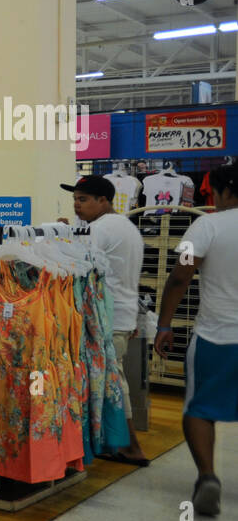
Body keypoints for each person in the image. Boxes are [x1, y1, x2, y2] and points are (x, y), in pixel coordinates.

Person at [154, 163, 238, 517]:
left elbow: (180, 276)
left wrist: (164, 325)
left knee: (199, 409)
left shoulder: (206, 225)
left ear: (222, 192)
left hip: (216, 335)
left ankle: (207, 477)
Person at [60, 174, 148, 465]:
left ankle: (131, 446)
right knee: (112, 378)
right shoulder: (127, 227)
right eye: (75, 199)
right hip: (124, 313)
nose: (76, 205)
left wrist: (62, 237)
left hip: (106, 316)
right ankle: (113, 441)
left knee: (114, 381)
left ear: (103, 201)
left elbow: (78, 265)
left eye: (83, 199)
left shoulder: (99, 229)